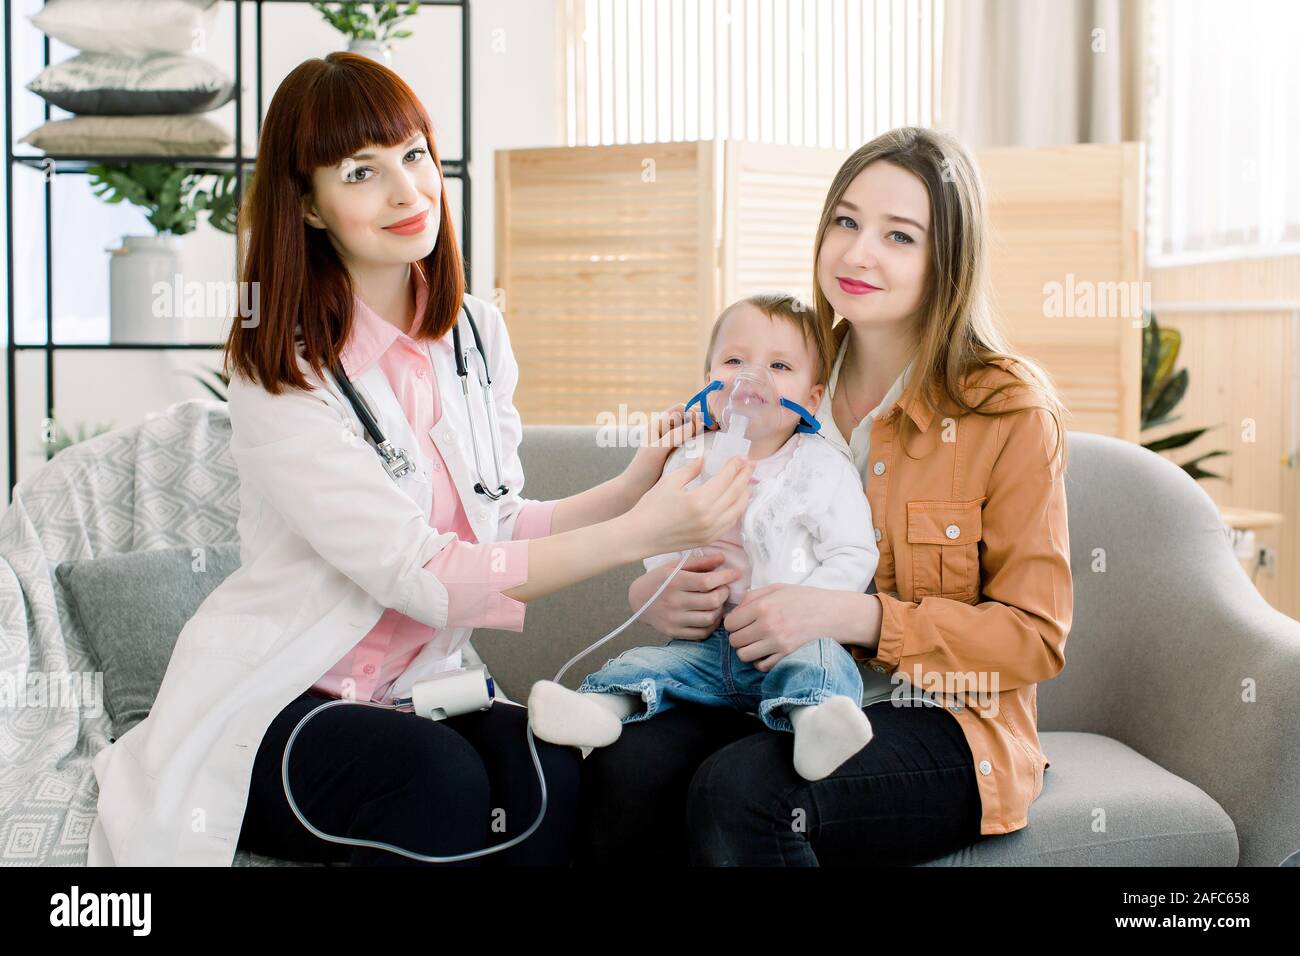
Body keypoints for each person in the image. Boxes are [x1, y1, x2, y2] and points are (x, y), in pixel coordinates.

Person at [85, 52, 754, 867]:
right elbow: (430, 574)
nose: (408, 191)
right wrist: (640, 531)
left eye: (414, 155)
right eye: (361, 172)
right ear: (309, 205)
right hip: (287, 697)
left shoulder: (475, 333)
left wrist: (628, 489)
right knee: (440, 787)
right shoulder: (282, 376)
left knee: (551, 780)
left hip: (423, 691)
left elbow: (494, 524)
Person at [577, 126, 1074, 867]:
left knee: (744, 792)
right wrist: (661, 591)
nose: (857, 252)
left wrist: (854, 615)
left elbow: (1034, 637)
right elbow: (693, 528)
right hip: (761, 685)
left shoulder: (1007, 409)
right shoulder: (781, 372)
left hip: (943, 717)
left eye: (899, 236)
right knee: (623, 767)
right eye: (845, 221)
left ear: (949, 260)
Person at [528, 293, 878, 782]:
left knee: (822, 664)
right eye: (734, 361)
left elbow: (853, 551)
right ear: (708, 380)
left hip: (791, 641)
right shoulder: (689, 458)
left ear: (813, 399)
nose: (750, 379)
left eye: (778, 365)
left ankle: (815, 722)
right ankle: (600, 708)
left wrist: (808, 608)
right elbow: (658, 540)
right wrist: (665, 584)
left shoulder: (822, 468)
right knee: (648, 664)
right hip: (706, 645)